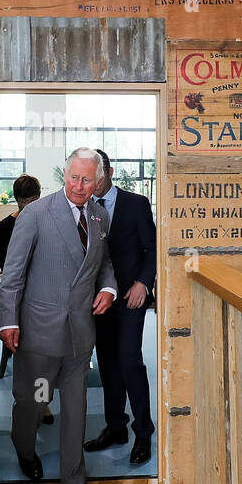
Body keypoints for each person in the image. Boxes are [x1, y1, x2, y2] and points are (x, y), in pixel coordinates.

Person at [0, 148, 116, 484]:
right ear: (64, 176)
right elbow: (13, 275)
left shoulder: (98, 216)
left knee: (77, 409)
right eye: (74, 178)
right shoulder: (35, 215)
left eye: (87, 179)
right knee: (33, 404)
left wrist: (109, 288)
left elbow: (103, 262)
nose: (80, 186)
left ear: (99, 180)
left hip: (80, 335)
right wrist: (9, 321)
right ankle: (25, 451)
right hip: (38, 334)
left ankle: (74, 478)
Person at [83, 149, 157, 465]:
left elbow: (151, 248)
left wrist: (144, 282)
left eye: (95, 176)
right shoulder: (82, 207)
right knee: (108, 364)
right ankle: (116, 428)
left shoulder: (136, 204)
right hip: (97, 300)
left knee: (129, 361)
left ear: (109, 172)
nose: (90, 183)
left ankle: (143, 432)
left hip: (130, 297)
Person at [0, 174, 53, 425]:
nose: (29, 206)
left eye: (33, 201)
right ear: (18, 200)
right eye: (26, 202)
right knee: (29, 358)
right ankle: (33, 404)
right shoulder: (6, 228)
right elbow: (9, 268)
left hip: (39, 299)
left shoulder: (46, 223)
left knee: (42, 359)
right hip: (25, 299)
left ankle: (42, 405)